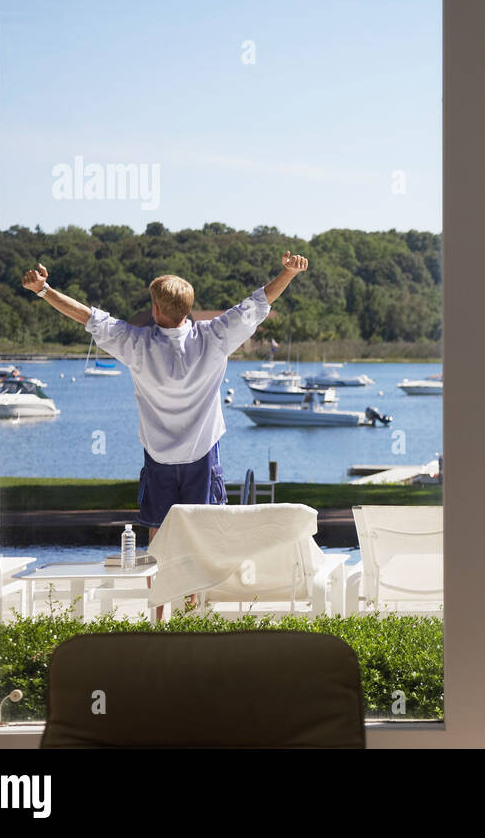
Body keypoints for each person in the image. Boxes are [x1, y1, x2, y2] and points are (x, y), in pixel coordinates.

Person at [20, 251, 309, 617]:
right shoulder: (216, 337)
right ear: (187, 310)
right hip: (203, 455)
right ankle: (193, 610)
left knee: (157, 535)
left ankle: (158, 613)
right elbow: (259, 301)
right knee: (200, 535)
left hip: (158, 458)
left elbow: (87, 316)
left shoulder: (136, 344)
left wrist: (44, 290)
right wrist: (288, 272)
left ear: (156, 310)